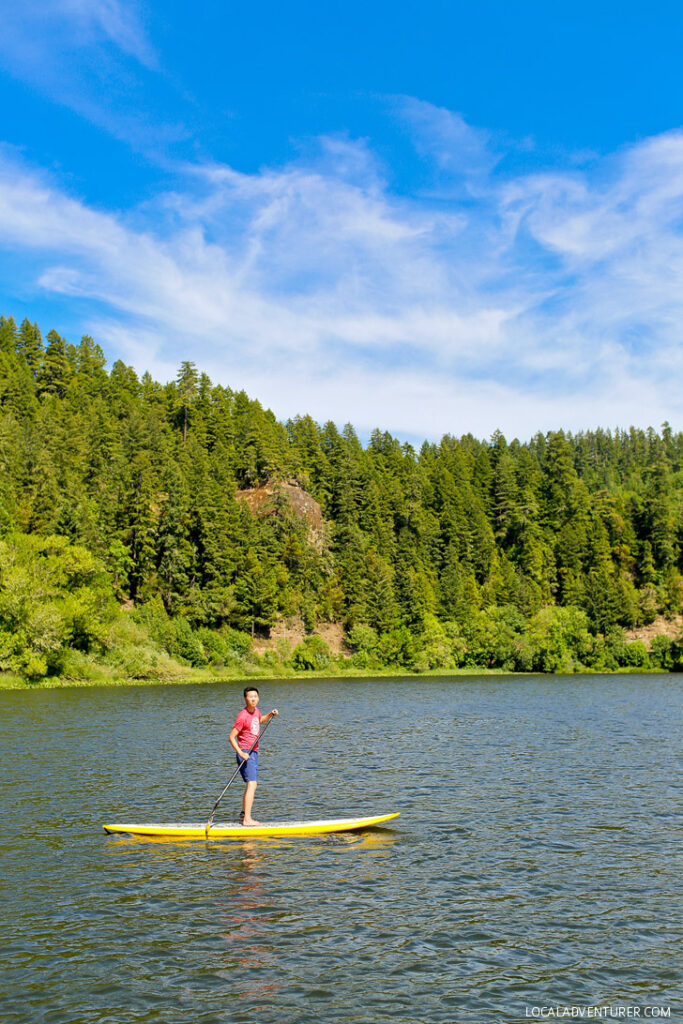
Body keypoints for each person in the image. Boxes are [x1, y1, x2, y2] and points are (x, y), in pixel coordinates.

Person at [229, 686, 278, 826]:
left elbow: (260, 720)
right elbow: (231, 737)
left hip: (254, 753)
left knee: (251, 785)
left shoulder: (256, 711)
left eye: (255, 696)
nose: (253, 699)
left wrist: (270, 715)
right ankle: (247, 820)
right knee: (252, 784)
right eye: (250, 697)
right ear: (245, 699)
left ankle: (243, 816)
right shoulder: (242, 716)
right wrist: (241, 753)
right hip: (246, 753)